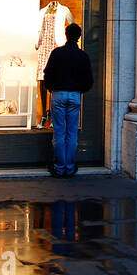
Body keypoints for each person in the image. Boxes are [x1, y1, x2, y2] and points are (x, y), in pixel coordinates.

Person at [42, 22, 94, 177]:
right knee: (72, 133)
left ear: (66, 35)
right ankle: (69, 167)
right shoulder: (83, 56)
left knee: (59, 132)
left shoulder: (57, 53)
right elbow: (89, 79)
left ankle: (59, 167)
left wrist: (52, 88)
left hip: (58, 93)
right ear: (79, 37)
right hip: (75, 95)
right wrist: (80, 91)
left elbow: (48, 74)